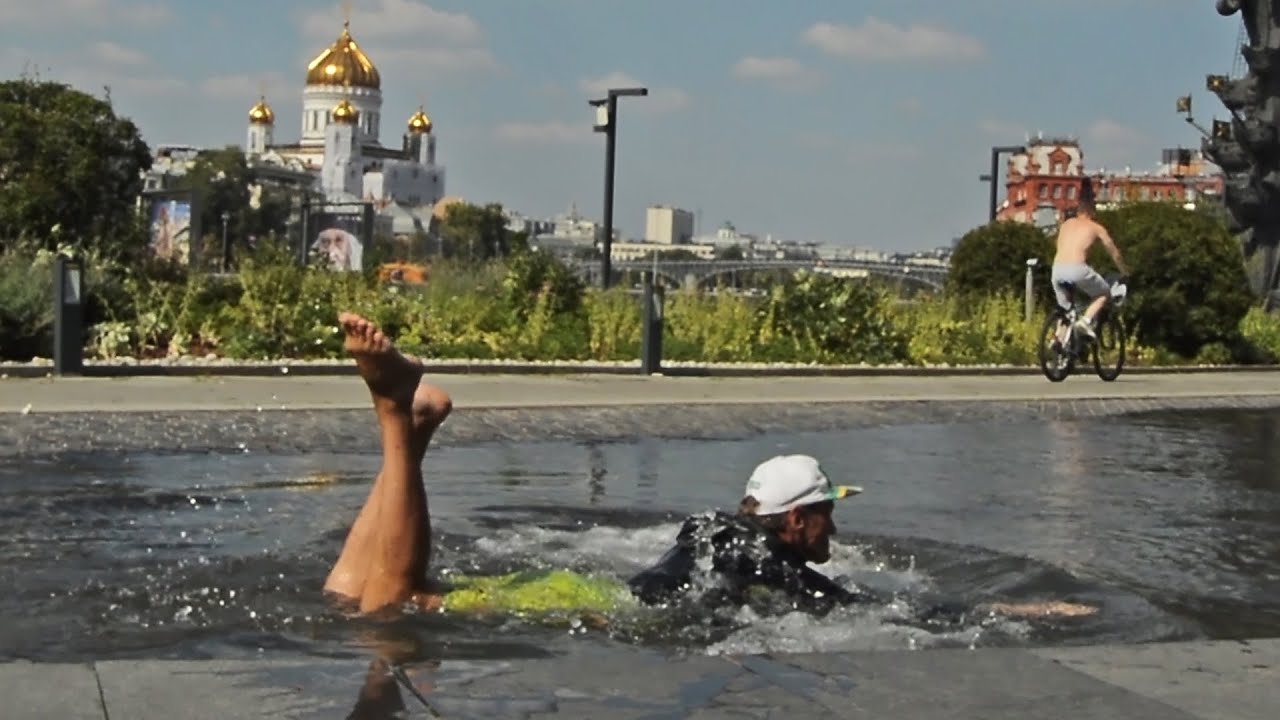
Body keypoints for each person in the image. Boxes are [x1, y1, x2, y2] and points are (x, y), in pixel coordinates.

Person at [324, 312, 1094, 621]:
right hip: (583, 606)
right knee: (391, 607)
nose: (835, 525)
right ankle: (396, 415)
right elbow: (863, 607)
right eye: (829, 510)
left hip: (586, 585)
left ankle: (415, 435)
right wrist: (1012, 612)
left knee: (344, 590)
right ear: (798, 518)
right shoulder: (762, 554)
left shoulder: (719, 529)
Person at [1050, 191, 1130, 342]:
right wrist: (1124, 271)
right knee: (1104, 293)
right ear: (1092, 211)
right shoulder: (1096, 227)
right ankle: (1086, 321)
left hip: (1057, 269)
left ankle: (1058, 342)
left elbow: (1058, 245)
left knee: (1066, 310)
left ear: (1078, 210)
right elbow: (1114, 252)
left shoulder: (1066, 224)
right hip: (1077, 269)